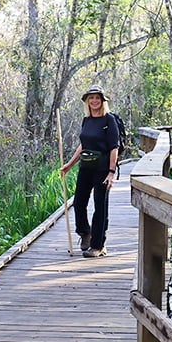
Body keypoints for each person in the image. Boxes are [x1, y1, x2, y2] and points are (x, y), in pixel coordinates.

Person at [60, 84, 119, 258]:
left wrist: (111, 172)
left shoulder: (109, 120)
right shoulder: (87, 120)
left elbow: (114, 148)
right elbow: (83, 146)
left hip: (102, 169)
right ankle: (85, 233)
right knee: (79, 203)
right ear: (87, 101)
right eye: (91, 98)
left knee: (100, 207)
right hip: (86, 167)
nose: (94, 101)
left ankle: (98, 245)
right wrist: (69, 165)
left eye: (97, 98)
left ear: (102, 101)